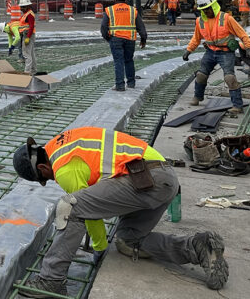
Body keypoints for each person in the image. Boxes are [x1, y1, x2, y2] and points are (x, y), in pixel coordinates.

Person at [12, 127, 229, 297]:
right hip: (163, 178)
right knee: (128, 241)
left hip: (146, 178)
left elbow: (87, 211)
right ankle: (198, 247)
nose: (51, 180)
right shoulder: (64, 141)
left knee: (69, 206)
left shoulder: (63, 166)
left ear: (42, 168)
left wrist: (99, 247)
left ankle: (52, 279)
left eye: (46, 179)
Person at [182, 0, 250, 114]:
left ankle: (237, 105)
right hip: (210, 51)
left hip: (225, 52)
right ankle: (197, 96)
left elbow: (242, 34)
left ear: (214, 6)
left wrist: (249, 48)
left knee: (229, 78)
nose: (206, 11)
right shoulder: (200, 21)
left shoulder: (226, 18)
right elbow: (196, 38)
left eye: (208, 9)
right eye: (204, 10)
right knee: (201, 75)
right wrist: (188, 50)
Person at [101, 0, 147, 91]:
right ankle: (131, 83)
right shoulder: (133, 10)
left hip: (115, 39)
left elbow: (103, 27)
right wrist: (143, 40)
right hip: (130, 39)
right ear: (126, 0)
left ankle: (120, 85)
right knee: (129, 60)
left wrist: (107, 37)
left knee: (118, 62)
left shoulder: (109, 10)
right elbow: (141, 27)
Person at [19, 0, 37, 74]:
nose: (21, 9)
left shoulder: (29, 15)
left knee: (26, 54)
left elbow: (31, 26)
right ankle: (33, 70)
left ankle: (27, 72)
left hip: (28, 35)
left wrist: (28, 37)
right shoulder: (26, 14)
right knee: (31, 54)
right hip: (27, 34)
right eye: (21, 7)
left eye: (23, 7)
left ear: (28, 6)